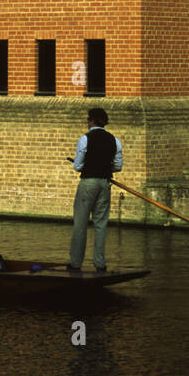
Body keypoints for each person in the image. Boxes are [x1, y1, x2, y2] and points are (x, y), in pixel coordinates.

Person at [67, 108, 122, 272]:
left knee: (80, 224)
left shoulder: (85, 138)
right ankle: (100, 264)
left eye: (88, 120)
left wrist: (88, 164)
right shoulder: (115, 140)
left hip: (88, 183)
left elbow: (77, 166)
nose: (87, 123)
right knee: (101, 224)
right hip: (105, 184)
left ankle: (76, 263)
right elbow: (118, 166)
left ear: (92, 121)